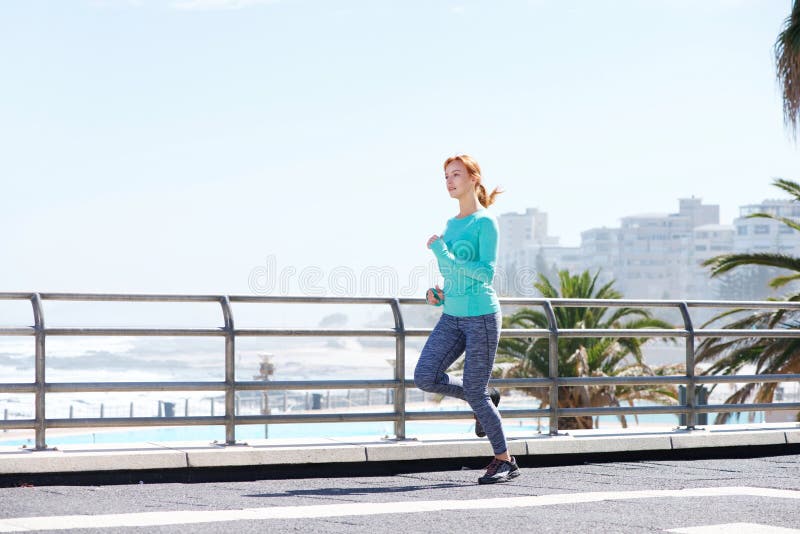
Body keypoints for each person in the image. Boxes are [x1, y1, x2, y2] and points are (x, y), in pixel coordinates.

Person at [414, 154, 518, 485]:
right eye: (446, 176)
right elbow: (454, 274)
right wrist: (440, 294)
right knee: (425, 376)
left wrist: (444, 254)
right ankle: (486, 397)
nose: (449, 181)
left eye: (456, 174)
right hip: (452, 315)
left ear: (474, 178)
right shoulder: (451, 225)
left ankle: (505, 461)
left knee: (475, 390)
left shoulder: (485, 223)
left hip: (481, 316)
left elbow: (485, 274)